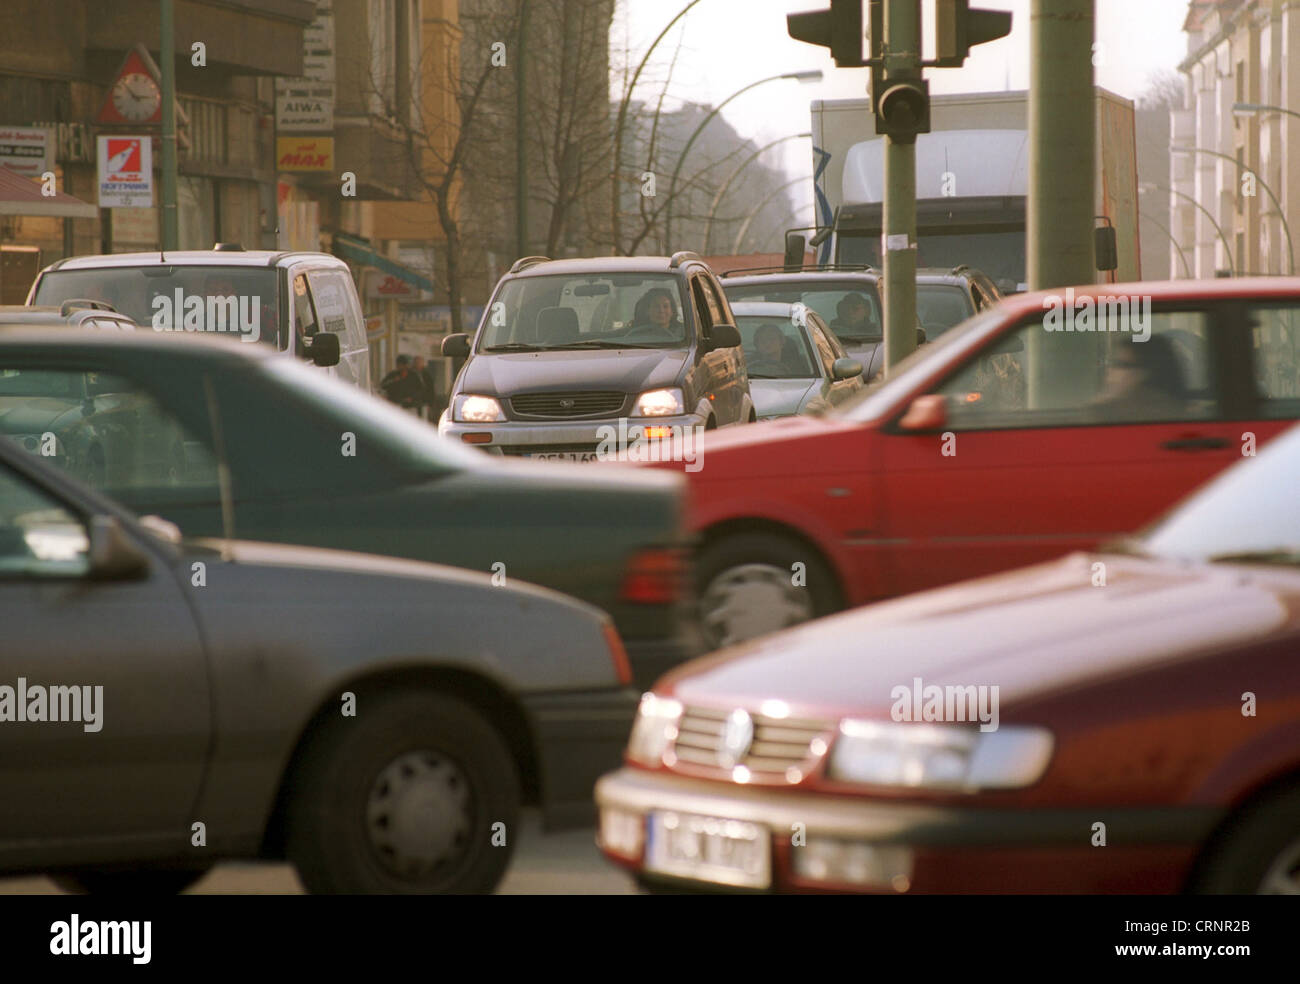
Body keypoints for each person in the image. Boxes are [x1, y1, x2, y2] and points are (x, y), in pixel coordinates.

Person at [1090, 335, 1188, 421]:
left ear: (1146, 372)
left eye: (1122, 364)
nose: (1111, 371)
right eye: (1113, 363)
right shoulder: (1110, 409)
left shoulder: (1165, 414)